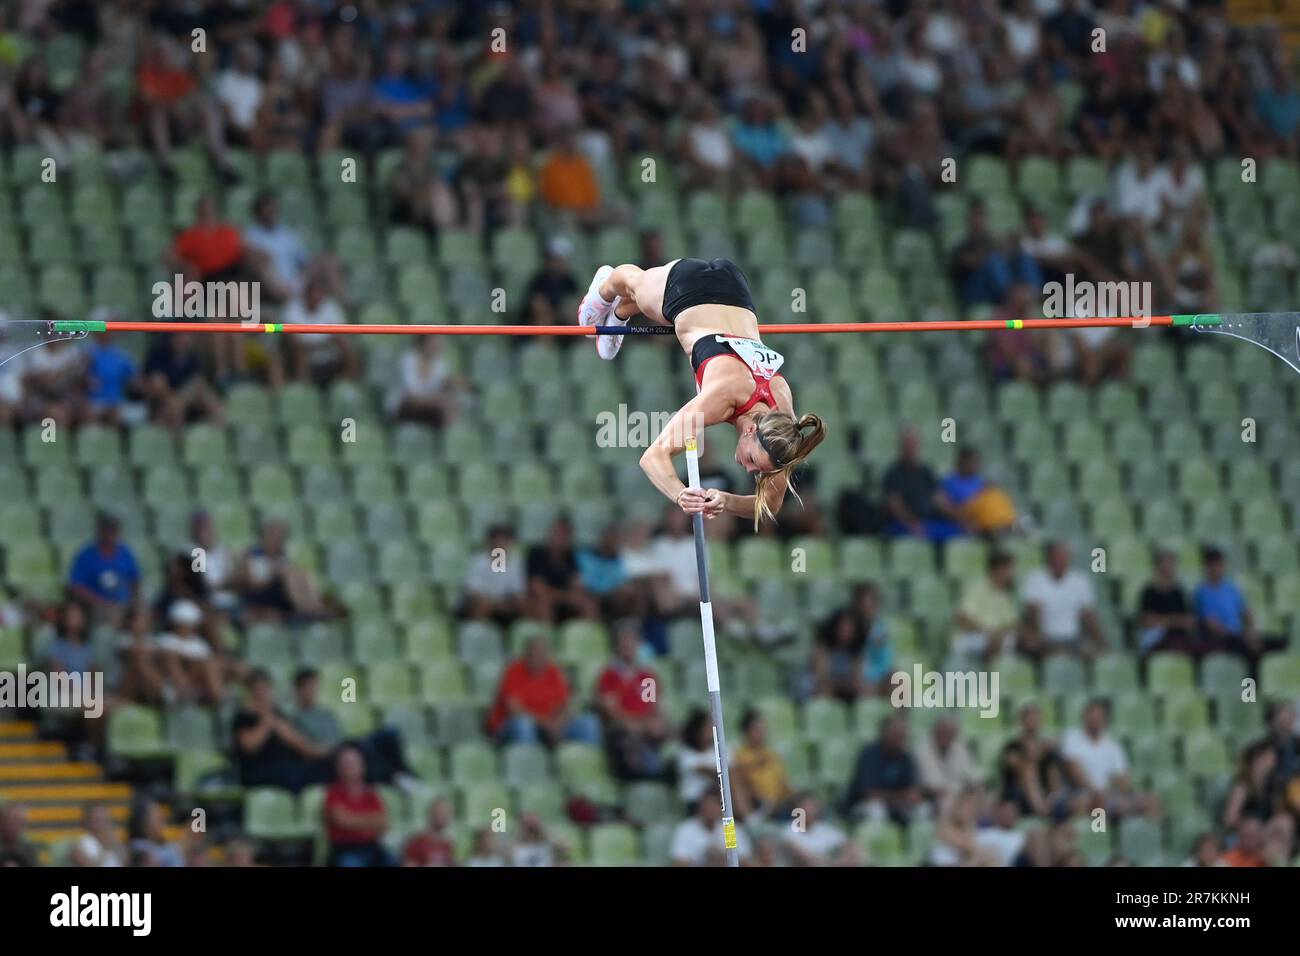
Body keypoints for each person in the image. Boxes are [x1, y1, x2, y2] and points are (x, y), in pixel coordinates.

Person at [575, 258, 824, 531]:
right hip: (687, 289)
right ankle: (604, 287)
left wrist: (725, 500)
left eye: (757, 469)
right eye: (753, 462)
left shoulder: (783, 433)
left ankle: (619, 315)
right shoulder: (722, 398)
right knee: (631, 283)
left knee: (634, 304)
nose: (751, 471)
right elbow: (653, 456)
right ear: (751, 429)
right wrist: (680, 494)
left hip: (736, 289)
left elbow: (771, 504)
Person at [485, 636, 600, 746]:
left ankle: (585, 765)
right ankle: (527, 764)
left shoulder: (553, 671)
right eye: (533, 653)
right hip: (510, 727)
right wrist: (547, 724)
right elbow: (515, 710)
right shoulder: (514, 670)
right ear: (526, 654)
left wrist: (558, 725)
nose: (537, 657)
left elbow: (566, 705)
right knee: (524, 724)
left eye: (542, 653)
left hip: (547, 727)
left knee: (589, 723)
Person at [594, 620, 668, 781]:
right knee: (626, 738)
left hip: (643, 727)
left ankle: (660, 774)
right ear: (617, 647)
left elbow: (652, 706)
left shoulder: (646, 676)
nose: (628, 647)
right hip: (623, 727)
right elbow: (610, 709)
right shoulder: (610, 676)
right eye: (624, 643)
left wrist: (653, 722)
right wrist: (633, 723)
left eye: (631, 642)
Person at [1020, 540, 1105, 660]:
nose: (1060, 561)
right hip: (1047, 639)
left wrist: (1100, 641)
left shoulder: (1080, 580)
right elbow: (1033, 613)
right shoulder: (1036, 579)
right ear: (1049, 559)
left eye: (1064, 557)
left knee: (1098, 655)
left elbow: (1088, 615)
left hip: (1074, 638)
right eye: (1057, 557)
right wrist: (1040, 638)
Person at [322, 747, 393, 867]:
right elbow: (343, 821)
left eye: (353, 763)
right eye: (346, 763)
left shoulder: (371, 793)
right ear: (338, 768)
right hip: (345, 849)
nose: (350, 767)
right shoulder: (333, 793)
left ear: (362, 766)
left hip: (373, 847)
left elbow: (384, 822)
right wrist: (371, 820)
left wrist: (355, 819)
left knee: (393, 860)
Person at [68, 512, 140, 627]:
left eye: (113, 530)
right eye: (107, 530)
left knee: (141, 613)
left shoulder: (125, 553)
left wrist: (135, 602)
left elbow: (135, 581)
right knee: (111, 614)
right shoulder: (86, 556)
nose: (110, 534)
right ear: (99, 531)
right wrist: (101, 603)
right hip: (97, 606)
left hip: (124, 604)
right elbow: (76, 588)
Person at [952, 549, 1021, 663]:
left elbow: (1012, 623)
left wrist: (1004, 632)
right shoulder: (978, 588)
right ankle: (989, 674)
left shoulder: (1005, 594)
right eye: (1010, 569)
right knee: (997, 641)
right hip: (969, 637)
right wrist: (986, 631)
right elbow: (962, 618)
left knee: (1015, 641)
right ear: (999, 570)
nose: (1012, 574)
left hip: (994, 637)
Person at [1136, 548, 1196, 656]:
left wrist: (1164, 621)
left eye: (1172, 564)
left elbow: (1189, 622)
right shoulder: (1149, 592)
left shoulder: (1179, 592)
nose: (1170, 568)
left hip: (1180, 639)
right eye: (1167, 564)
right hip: (1158, 640)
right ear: (1159, 567)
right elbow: (1148, 621)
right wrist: (1176, 621)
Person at [670, 792, 752, 866]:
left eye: (713, 806)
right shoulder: (686, 829)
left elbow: (744, 859)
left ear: (721, 809)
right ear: (700, 807)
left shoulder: (729, 827)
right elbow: (680, 862)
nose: (709, 809)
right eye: (706, 806)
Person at [402, 797, 457, 867]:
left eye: (447, 813)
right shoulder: (416, 842)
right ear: (430, 813)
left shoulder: (448, 845)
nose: (444, 815)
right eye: (440, 811)